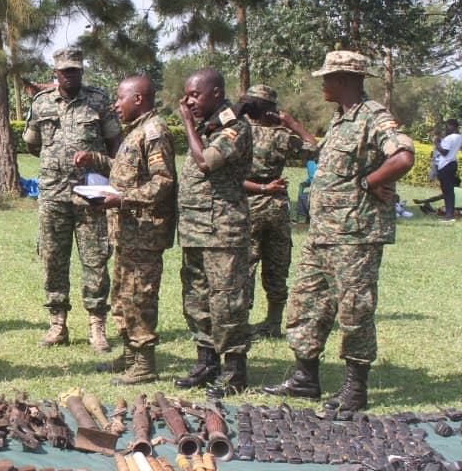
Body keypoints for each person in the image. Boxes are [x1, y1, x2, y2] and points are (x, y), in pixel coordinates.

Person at [263, 51, 414, 410]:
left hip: (355, 234)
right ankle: (305, 378)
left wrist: (368, 182)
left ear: (345, 79)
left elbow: (403, 156)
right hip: (323, 233)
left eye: (327, 77)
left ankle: (355, 389)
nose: (323, 83)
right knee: (306, 303)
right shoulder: (339, 120)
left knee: (354, 309)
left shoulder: (372, 116)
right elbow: (323, 157)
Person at [72, 76, 177, 384]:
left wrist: (121, 199)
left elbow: (163, 183)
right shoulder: (136, 132)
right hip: (128, 232)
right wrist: (97, 160)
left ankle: (145, 365)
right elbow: (127, 174)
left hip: (145, 233)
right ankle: (130, 356)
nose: (115, 104)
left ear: (139, 99)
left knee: (139, 298)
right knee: (122, 296)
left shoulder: (154, 132)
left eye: (120, 98)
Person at [22, 47, 121, 352]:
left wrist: (108, 175)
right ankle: (57, 323)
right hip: (53, 193)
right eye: (64, 70)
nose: (69, 75)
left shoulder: (98, 101)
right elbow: (32, 144)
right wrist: (57, 162)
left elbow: (115, 142)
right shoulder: (41, 103)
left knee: (95, 259)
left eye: (75, 70)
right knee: (53, 258)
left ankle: (97, 325)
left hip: (91, 193)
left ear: (81, 71)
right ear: (56, 72)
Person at [172, 68, 252, 397]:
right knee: (196, 298)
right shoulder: (208, 126)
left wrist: (188, 124)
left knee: (227, 301)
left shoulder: (235, 128)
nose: (188, 101)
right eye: (187, 95)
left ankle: (234, 369)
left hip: (223, 229)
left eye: (195, 95)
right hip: (194, 227)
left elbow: (205, 162)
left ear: (216, 94)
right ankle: (207, 361)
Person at [239, 85, 320, 339]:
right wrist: (293, 124)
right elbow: (316, 150)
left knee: (244, 264)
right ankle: (273, 322)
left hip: (247, 203)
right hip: (276, 205)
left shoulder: (237, 132)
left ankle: (240, 320)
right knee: (277, 264)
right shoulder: (283, 136)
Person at [433, 118, 460, 222]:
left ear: (453, 126)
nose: (446, 128)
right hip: (452, 164)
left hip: (445, 166)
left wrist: (436, 143)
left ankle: (449, 216)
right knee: (449, 191)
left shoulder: (450, 138)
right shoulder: (459, 137)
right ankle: (449, 214)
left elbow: (444, 152)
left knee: (447, 192)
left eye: (447, 126)